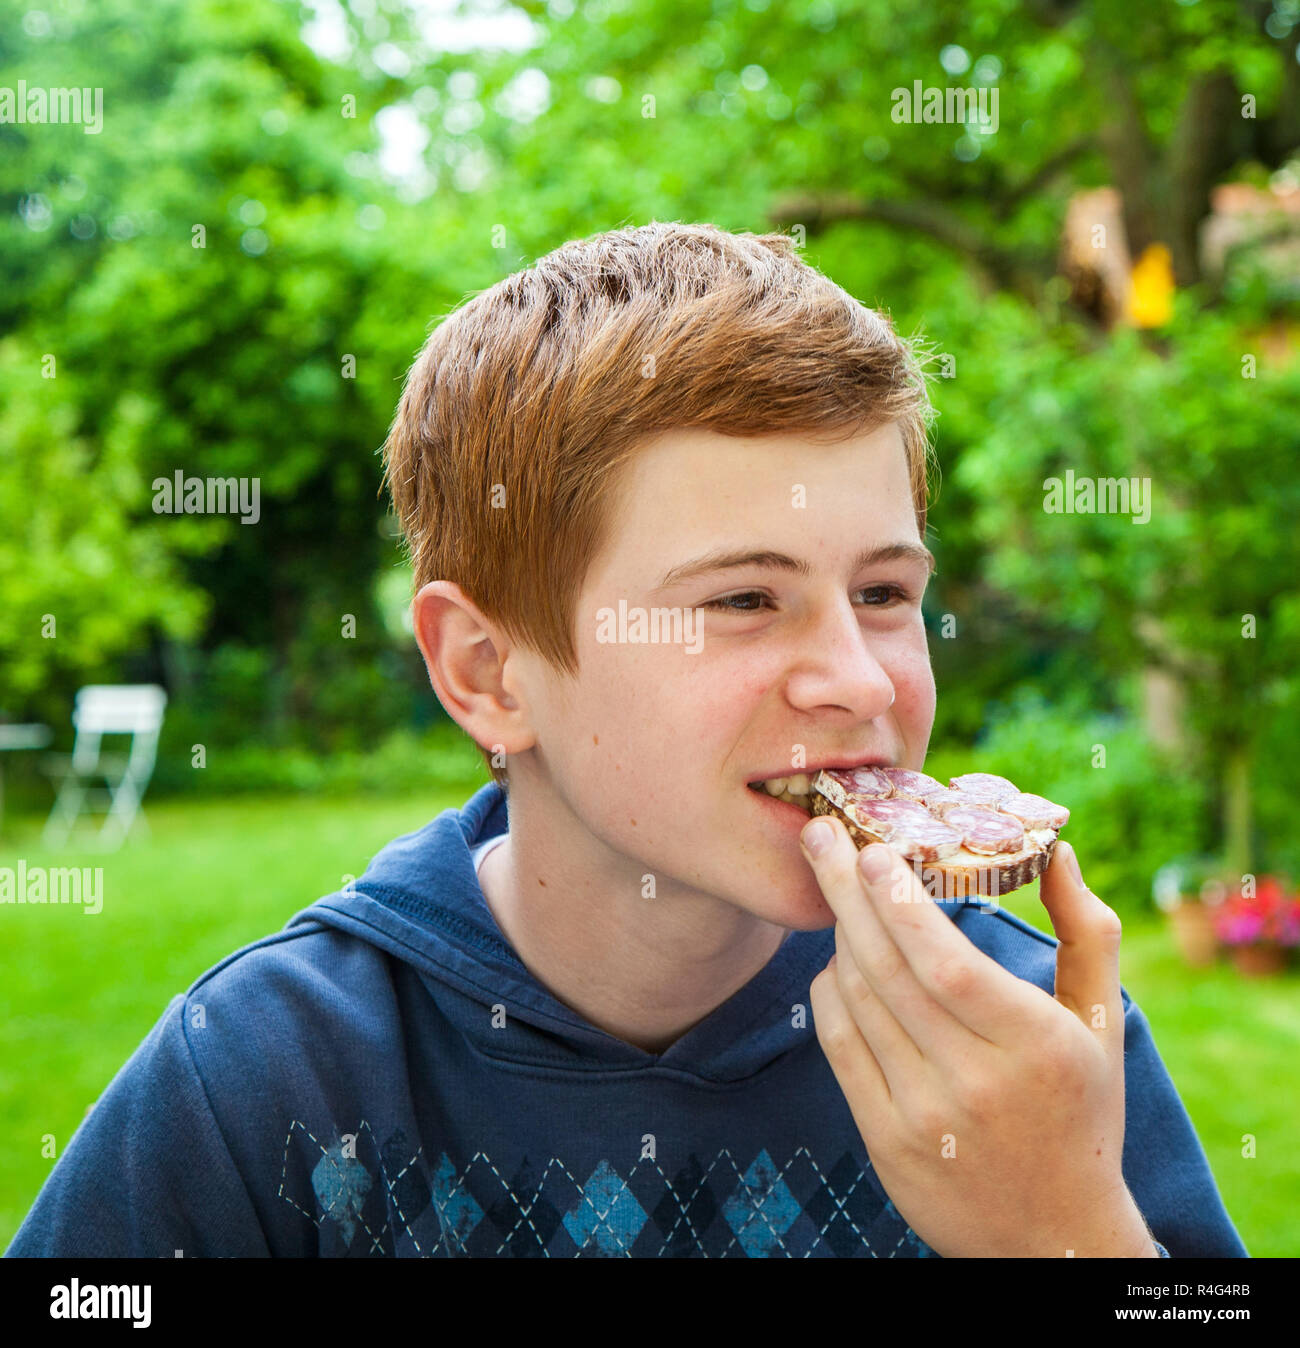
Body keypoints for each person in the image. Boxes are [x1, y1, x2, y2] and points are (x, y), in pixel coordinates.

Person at [6, 222, 1247, 1257]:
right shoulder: (268, 1079)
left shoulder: (1023, 1042)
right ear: (488, 672)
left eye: (882, 592)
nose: (859, 679)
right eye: (744, 600)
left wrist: (1065, 1226)